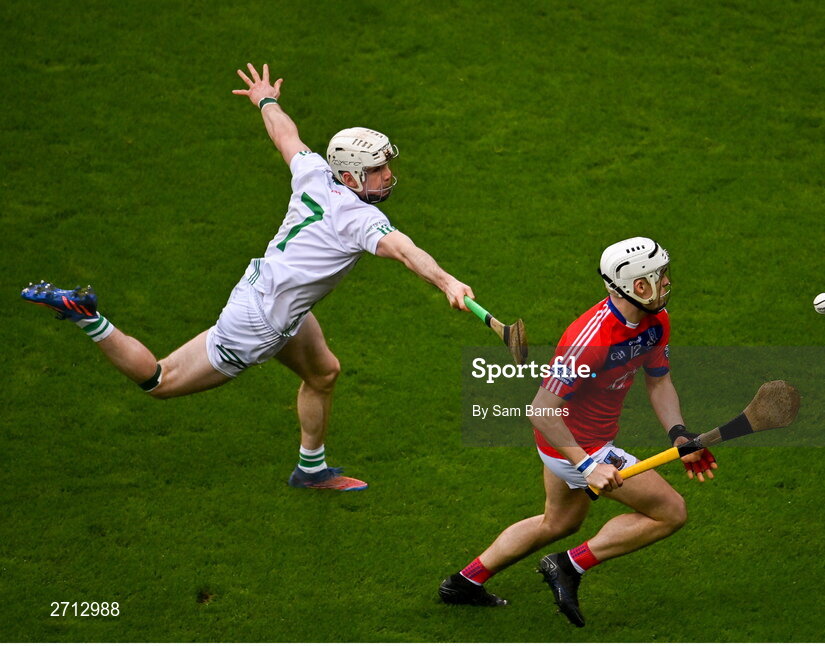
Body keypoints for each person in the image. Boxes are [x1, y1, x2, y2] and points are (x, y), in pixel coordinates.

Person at [21, 63, 474, 492]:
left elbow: (285, 135)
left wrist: (265, 100)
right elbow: (405, 250)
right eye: (377, 170)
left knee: (324, 372)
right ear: (351, 176)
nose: (388, 176)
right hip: (258, 323)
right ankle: (87, 317)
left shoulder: (314, 171)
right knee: (160, 381)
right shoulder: (358, 218)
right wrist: (448, 283)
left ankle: (311, 470)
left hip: (271, 296)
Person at [438, 237, 717, 627]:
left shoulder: (656, 321)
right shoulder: (590, 340)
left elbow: (658, 381)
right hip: (577, 446)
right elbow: (541, 410)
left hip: (577, 442)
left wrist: (679, 433)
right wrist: (588, 466)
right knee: (670, 512)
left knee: (558, 522)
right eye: (660, 276)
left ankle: (463, 583)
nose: (668, 282)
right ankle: (568, 565)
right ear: (638, 285)